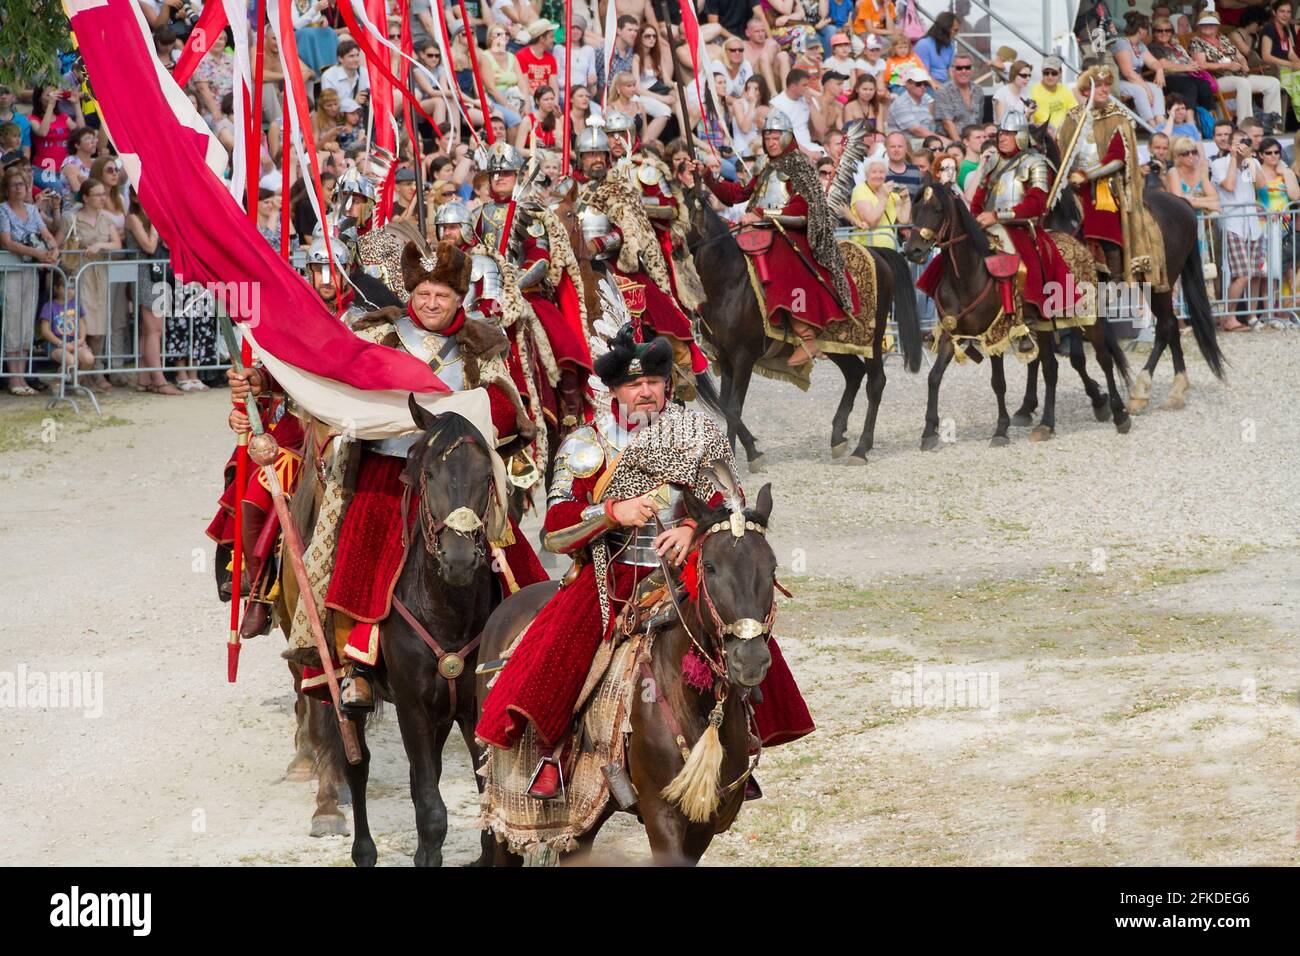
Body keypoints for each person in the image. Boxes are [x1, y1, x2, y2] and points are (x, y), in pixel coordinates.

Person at [476, 323, 813, 798]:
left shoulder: (697, 434)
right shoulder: (586, 444)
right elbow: (554, 528)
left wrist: (694, 527)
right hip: (610, 573)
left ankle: (744, 730)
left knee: (743, 623)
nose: (646, 392)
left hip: (687, 568)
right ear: (614, 390)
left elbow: (732, 506)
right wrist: (613, 511)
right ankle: (558, 751)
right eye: (634, 385)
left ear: (667, 385)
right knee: (566, 649)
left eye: (654, 382)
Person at [236, 238, 550, 701]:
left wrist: (456, 414)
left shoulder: (481, 343)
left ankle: (526, 648)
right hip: (388, 465)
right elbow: (327, 376)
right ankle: (353, 666)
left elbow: (506, 406)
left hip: (454, 475)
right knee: (361, 550)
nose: (430, 303)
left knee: (508, 560)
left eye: (441, 294)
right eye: (422, 293)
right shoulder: (377, 335)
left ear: (458, 297)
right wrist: (262, 379)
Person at [698, 110, 859, 365]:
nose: (771, 142)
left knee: (784, 264)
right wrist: (708, 178)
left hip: (791, 232)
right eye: (768, 137)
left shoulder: (801, 167)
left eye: (776, 137)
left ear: (787, 137)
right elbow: (737, 195)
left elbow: (802, 208)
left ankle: (805, 336)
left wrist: (761, 213)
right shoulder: (764, 165)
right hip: (757, 230)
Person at [575, 125, 709, 389]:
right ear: (580, 158)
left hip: (613, 260)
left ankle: (681, 363)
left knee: (651, 297)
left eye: (601, 153)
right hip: (575, 262)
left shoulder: (618, 187)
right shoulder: (571, 190)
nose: (597, 159)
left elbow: (629, 230)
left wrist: (597, 244)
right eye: (590, 154)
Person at [470, 142, 593, 427]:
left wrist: (512, 285)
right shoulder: (478, 216)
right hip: (484, 293)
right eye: (494, 174)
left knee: (560, 340)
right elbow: (469, 253)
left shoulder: (531, 213)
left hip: (526, 293)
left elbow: (540, 258)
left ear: (517, 176)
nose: (499, 178)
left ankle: (570, 406)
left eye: (506, 173)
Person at [965, 111, 1078, 346]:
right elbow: (978, 197)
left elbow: (1037, 203)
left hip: (1019, 227)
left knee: (1026, 265)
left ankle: (1026, 320)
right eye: (1001, 133)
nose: (1002, 138)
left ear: (1022, 136)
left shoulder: (1036, 163)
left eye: (1009, 134)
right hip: (988, 225)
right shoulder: (994, 161)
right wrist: (977, 218)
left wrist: (997, 215)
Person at [1058, 65, 1167, 292]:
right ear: (1086, 90)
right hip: (1071, 184)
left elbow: (1117, 158)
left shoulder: (1117, 118)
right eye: (1100, 85)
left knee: (1102, 212)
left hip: (1105, 183)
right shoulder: (1071, 118)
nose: (1105, 89)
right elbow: (1062, 152)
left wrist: (1087, 175)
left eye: (1108, 85)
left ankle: (1115, 274)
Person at [1, 165, 59, 395]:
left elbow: (45, 233)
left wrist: (53, 248)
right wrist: (38, 254)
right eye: (14, 185)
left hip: (30, 271)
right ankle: (14, 378)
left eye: (23, 185)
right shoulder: (3, 210)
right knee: (12, 320)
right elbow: (8, 242)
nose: (19, 189)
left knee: (26, 322)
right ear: (6, 189)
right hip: (12, 270)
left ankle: (23, 376)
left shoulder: (32, 210)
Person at [72, 178, 123, 393]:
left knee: (99, 329)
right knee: (84, 327)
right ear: (85, 197)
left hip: (100, 275)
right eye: (97, 194)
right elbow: (61, 242)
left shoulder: (105, 220)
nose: (103, 197)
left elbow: (117, 244)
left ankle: (93, 371)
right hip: (81, 274)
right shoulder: (73, 218)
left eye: (104, 194)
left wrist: (100, 245)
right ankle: (79, 373)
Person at [1211, 128, 1263, 331]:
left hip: (1252, 224)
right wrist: (1234, 158)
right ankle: (1229, 317)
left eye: (1245, 142)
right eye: (1238, 142)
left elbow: (1261, 185)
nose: (1242, 146)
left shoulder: (1251, 162)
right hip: (1232, 223)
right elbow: (1229, 186)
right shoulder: (1218, 164)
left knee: (1251, 274)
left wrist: (1248, 159)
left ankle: (1245, 317)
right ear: (1230, 144)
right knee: (1241, 274)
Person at [1190, 10, 1283, 123]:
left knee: (1273, 83)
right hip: (1218, 79)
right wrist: (1227, 66)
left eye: (1211, 24)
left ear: (1217, 26)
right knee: (1243, 83)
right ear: (1199, 25)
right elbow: (1201, 65)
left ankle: (1272, 123)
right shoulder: (1196, 42)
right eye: (1203, 24)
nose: (1207, 26)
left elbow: (1239, 56)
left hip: (1239, 75)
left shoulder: (1223, 39)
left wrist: (1243, 64)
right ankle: (1245, 124)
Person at [1255, 136, 1300, 321]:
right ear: (1261, 155)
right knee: (1267, 271)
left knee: (1283, 268)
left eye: (1276, 153)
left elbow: (1295, 196)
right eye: (1269, 153)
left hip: (1284, 226)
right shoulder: (1256, 172)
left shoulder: (1285, 172)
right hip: (1264, 226)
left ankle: (1281, 309)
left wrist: (1288, 173)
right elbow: (1251, 191)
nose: (1273, 156)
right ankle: (1266, 312)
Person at [1148, 17, 1215, 117]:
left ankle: (1208, 120)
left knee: (1204, 85)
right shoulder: (1154, 47)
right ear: (1154, 33)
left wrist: (1193, 65)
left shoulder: (1176, 45)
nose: (1164, 33)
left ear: (1172, 32)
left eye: (1167, 30)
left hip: (1186, 76)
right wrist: (1186, 67)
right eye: (1159, 31)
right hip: (1167, 78)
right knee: (1189, 86)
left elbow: (1188, 60)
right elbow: (1164, 65)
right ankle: (1190, 121)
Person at [1113, 13, 1167, 127]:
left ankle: (1160, 122)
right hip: (1120, 82)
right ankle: (1151, 125)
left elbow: (1153, 62)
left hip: (1135, 81)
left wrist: (1159, 70)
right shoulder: (1122, 44)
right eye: (1147, 29)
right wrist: (1147, 89)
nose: (1148, 32)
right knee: (1140, 90)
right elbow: (1128, 73)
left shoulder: (1140, 45)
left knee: (1156, 88)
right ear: (1141, 30)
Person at [848, 156, 909, 247]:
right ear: (866, 174)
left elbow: (903, 220)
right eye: (874, 172)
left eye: (881, 172)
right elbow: (871, 221)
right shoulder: (860, 190)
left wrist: (906, 199)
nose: (878, 175)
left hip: (890, 249)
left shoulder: (889, 189)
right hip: (866, 248)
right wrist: (884, 197)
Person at [1259, 0, 1300, 123]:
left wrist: (1298, 62)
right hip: (1273, 71)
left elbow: (1290, 53)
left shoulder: (1286, 29)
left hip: (1287, 70)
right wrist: (1290, 64)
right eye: (1282, 11)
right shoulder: (1269, 29)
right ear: (1274, 12)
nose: (1286, 15)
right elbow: (1266, 56)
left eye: (1288, 12)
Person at [933, 52, 985, 142]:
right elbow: (947, 123)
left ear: (972, 70)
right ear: (952, 71)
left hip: (974, 139)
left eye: (967, 67)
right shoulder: (943, 91)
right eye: (959, 68)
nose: (963, 71)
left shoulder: (978, 90)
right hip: (951, 140)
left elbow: (979, 120)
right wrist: (960, 145)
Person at [886, 66, 942, 141]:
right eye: (918, 84)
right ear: (908, 84)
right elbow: (917, 131)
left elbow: (931, 123)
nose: (923, 87)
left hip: (925, 141)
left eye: (925, 83)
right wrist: (944, 141)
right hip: (906, 144)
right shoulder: (900, 104)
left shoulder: (926, 98)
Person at [1030, 55, 1078, 132]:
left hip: (1063, 134)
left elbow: (1075, 112)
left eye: (1054, 73)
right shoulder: (1033, 91)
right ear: (1042, 73)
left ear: (1060, 73)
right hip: (1043, 136)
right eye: (1046, 73)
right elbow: (1029, 119)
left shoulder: (1065, 90)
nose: (1050, 76)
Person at [516, 17, 559, 96]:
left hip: (547, 99)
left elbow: (554, 87)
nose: (554, 40)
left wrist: (554, 102)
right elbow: (524, 86)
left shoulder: (551, 58)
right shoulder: (521, 56)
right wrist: (541, 101)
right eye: (551, 37)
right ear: (542, 38)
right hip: (530, 98)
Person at [914, 11, 960, 85]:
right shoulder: (923, 44)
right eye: (955, 30)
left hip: (943, 84)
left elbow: (950, 70)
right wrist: (940, 87)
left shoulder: (950, 45)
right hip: (926, 85)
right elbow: (923, 74)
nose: (956, 33)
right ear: (946, 29)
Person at [993, 59, 1035, 124]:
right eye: (1024, 75)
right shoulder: (1001, 94)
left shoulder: (1026, 92)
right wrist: (1027, 115)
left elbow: (1032, 122)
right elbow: (1002, 124)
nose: (1028, 78)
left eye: (1029, 75)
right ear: (1014, 75)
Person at [884, 130, 922, 196]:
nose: (896, 150)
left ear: (906, 149)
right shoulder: (880, 171)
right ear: (886, 149)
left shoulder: (915, 171)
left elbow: (920, 199)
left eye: (900, 146)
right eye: (892, 146)